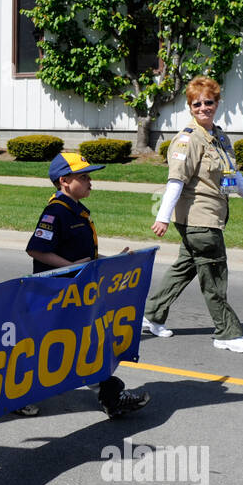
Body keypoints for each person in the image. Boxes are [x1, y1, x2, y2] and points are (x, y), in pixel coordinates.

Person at [143, 76, 243, 353]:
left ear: (217, 103)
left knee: (184, 267)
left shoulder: (219, 136)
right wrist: (162, 216)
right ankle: (227, 333)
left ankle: (151, 315)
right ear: (190, 107)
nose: (203, 107)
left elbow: (232, 175)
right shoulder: (188, 139)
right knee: (214, 274)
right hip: (200, 218)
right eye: (196, 103)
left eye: (208, 102)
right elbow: (175, 181)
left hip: (209, 215)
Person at [24, 151, 150, 418]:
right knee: (48, 350)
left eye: (89, 176)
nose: (90, 181)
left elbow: (84, 257)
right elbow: (36, 250)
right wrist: (71, 268)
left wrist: (112, 260)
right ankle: (16, 396)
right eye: (83, 177)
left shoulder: (77, 212)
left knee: (89, 344)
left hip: (78, 294)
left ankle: (111, 397)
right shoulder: (55, 212)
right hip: (56, 294)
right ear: (64, 181)